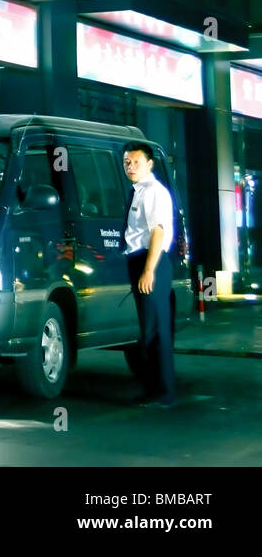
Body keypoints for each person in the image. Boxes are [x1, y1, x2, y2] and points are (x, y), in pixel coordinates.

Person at [121, 142, 176, 408]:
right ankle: (154, 389)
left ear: (149, 164)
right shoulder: (138, 191)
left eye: (136, 162)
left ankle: (163, 393)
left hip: (151, 261)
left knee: (157, 331)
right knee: (149, 329)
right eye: (127, 162)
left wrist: (148, 270)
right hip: (140, 260)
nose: (130, 167)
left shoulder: (154, 192)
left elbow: (158, 232)